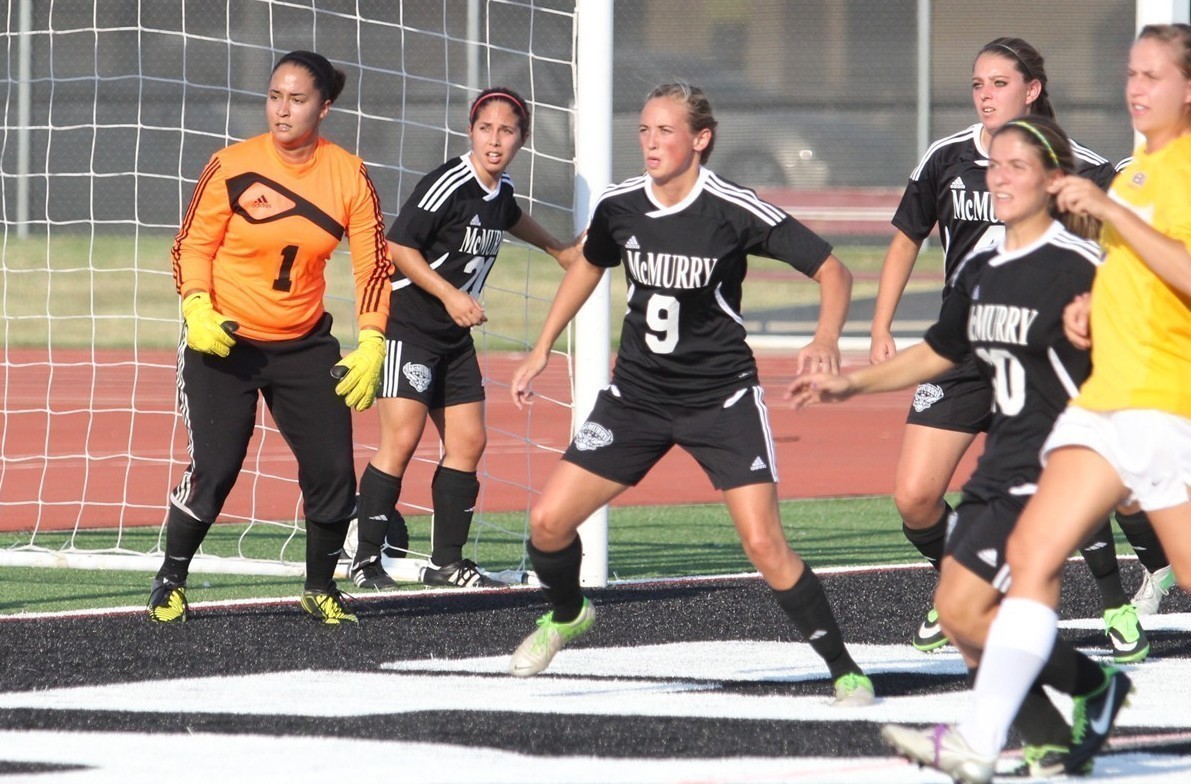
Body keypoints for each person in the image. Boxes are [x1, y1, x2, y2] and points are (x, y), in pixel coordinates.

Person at [876, 24, 1191, 782]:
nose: (1133, 87)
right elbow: (1129, 273)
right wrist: (1096, 307)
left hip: (1164, 404)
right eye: (1129, 73)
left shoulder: (1161, 175)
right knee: (1025, 560)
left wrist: (1110, 218)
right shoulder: (1141, 170)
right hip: (1102, 401)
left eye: (1150, 74)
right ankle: (983, 739)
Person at [504, 82, 874, 706]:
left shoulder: (732, 207)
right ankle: (568, 615)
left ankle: (844, 667)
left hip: (720, 400)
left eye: (665, 131)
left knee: (763, 543)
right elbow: (591, 263)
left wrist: (827, 337)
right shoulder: (621, 205)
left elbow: (834, 270)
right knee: (546, 523)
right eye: (645, 130)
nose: (650, 143)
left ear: (700, 139)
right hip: (637, 400)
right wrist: (544, 345)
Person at [792, 116, 1115, 778]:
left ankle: (979, 741)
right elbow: (943, 350)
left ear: (1055, 181)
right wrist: (851, 384)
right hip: (1002, 460)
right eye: (993, 165)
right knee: (962, 616)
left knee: (971, 608)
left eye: (1016, 167)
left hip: (1061, 462)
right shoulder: (979, 264)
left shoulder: (1084, 268)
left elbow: (1149, 348)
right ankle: (1073, 707)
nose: (997, 177)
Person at [147, 50, 393, 626]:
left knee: (333, 469)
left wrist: (374, 340)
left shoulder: (351, 177)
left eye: (298, 99)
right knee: (217, 467)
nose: (282, 110)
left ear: (325, 107)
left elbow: (373, 268)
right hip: (225, 341)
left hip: (303, 343)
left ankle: (319, 586)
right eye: (275, 96)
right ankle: (170, 580)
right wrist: (198, 309)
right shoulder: (231, 164)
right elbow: (191, 246)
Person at [348, 87, 581, 591]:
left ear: (523, 137)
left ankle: (447, 563)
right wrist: (451, 295)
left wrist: (558, 250)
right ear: (471, 130)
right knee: (402, 440)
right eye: (486, 129)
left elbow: (510, 214)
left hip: (454, 338)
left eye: (507, 131)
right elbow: (399, 247)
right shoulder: (449, 182)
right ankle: (365, 560)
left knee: (469, 442)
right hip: (410, 326)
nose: (495, 140)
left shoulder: (500, 189)